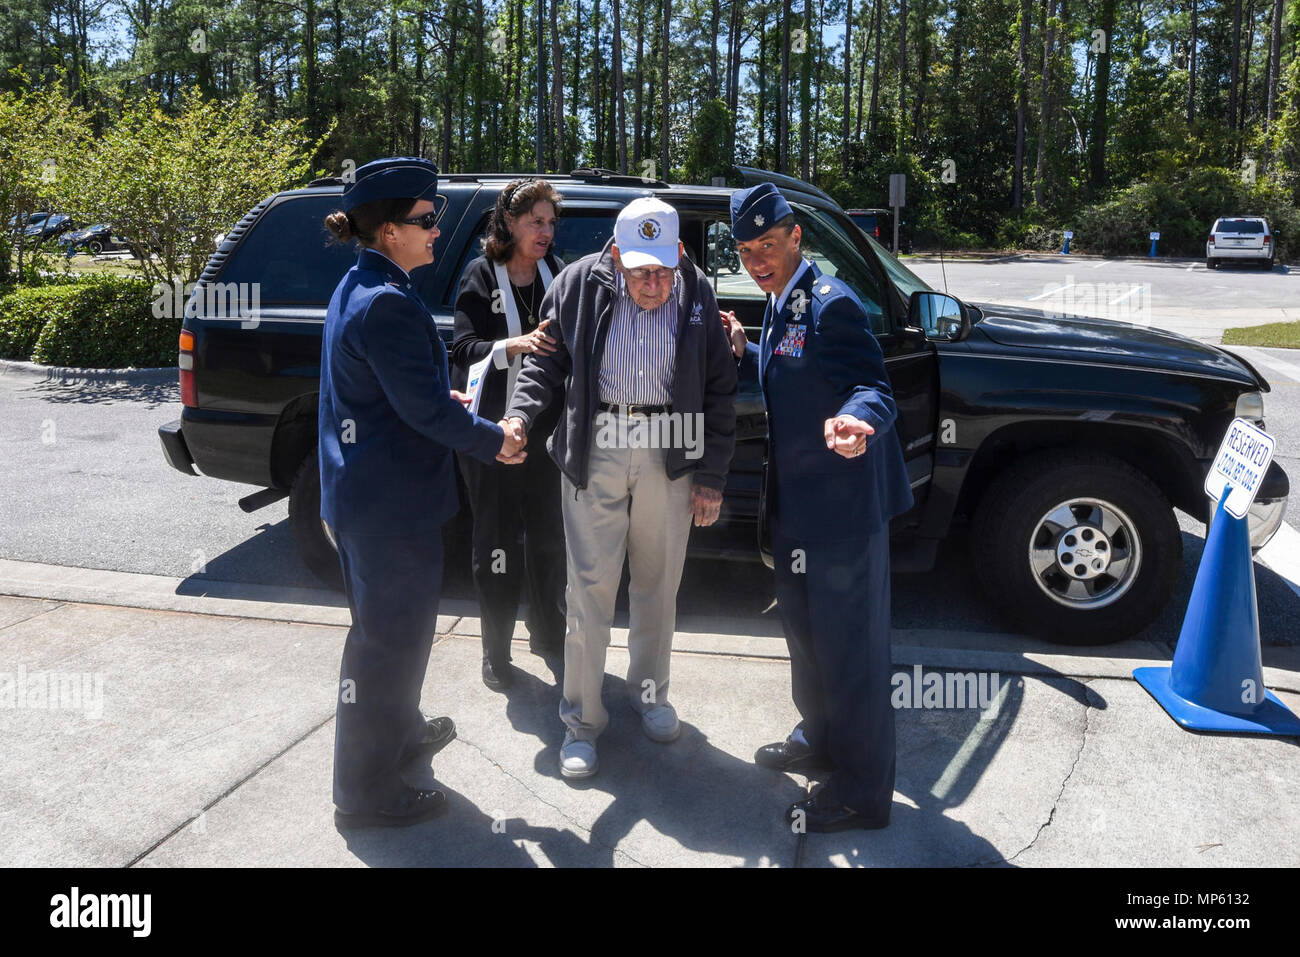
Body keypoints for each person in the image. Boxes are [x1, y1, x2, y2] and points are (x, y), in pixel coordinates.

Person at [319, 157, 526, 828]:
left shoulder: (363, 284)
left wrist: (445, 398)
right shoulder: (386, 302)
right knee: (387, 648)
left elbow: (405, 397)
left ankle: (401, 733)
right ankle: (366, 791)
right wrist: (492, 436)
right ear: (386, 231)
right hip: (389, 511)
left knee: (390, 637)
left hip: (366, 501)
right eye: (427, 220)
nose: (439, 230)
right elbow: (428, 415)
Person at [502, 197, 738, 779]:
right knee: (589, 590)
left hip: (670, 441)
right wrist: (518, 418)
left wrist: (710, 477)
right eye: (639, 272)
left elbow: (719, 387)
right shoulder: (579, 284)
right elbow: (544, 366)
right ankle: (582, 722)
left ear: (679, 254)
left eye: (662, 269)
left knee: (660, 585)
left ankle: (651, 696)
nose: (653, 284)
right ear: (615, 255)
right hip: (597, 441)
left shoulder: (696, 289)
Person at [722, 182, 913, 832]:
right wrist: (743, 349)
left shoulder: (832, 304)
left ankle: (863, 790)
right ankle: (820, 738)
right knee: (806, 638)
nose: (757, 260)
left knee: (852, 652)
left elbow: (872, 385)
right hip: (797, 508)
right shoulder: (778, 302)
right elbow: (791, 373)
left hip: (843, 513)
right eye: (746, 251)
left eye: (768, 246)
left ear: (795, 237)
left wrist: (857, 419)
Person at [451, 179, 567, 690]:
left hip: (545, 434)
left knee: (548, 538)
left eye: (550, 222)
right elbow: (463, 350)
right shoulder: (480, 276)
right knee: (495, 543)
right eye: (535, 221)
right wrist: (512, 345)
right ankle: (495, 653)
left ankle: (548, 633)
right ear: (510, 224)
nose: (546, 231)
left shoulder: (556, 274)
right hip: (494, 434)